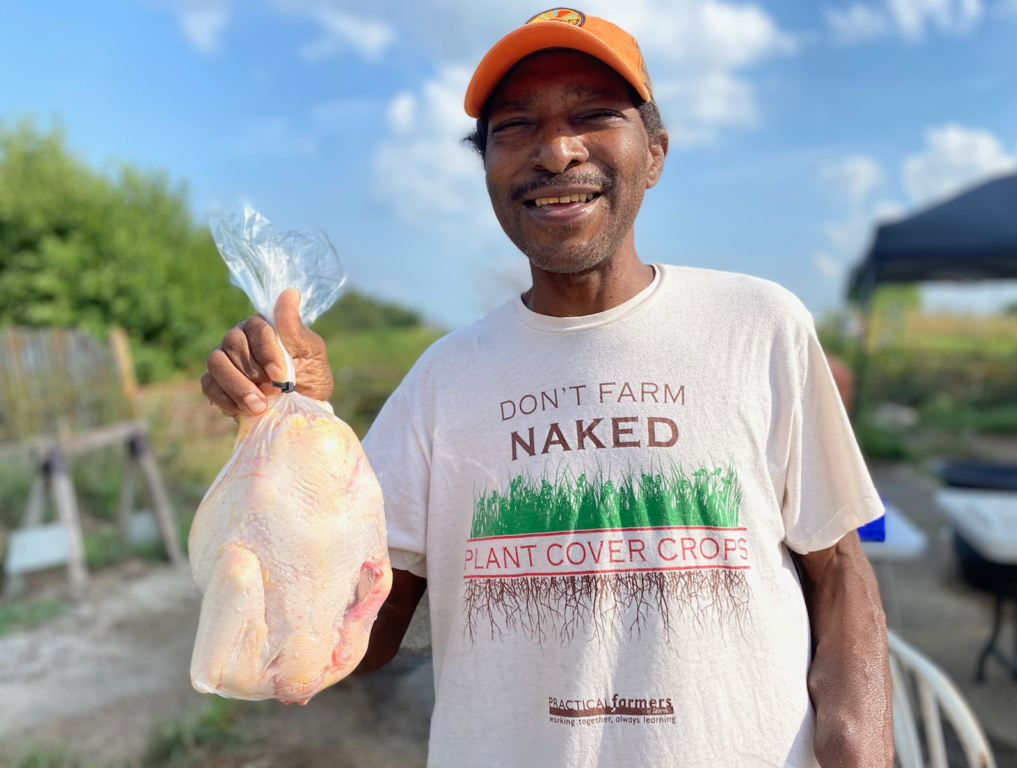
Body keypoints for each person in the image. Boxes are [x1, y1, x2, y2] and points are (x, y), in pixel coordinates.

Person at [202, 9, 892, 767]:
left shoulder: (759, 326)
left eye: (595, 115)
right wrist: (292, 427)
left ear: (655, 152)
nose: (556, 150)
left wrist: (860, 743)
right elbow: (352, 639)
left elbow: (837, 567)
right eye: (516, 127)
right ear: (489, 170)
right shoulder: (443, 381)